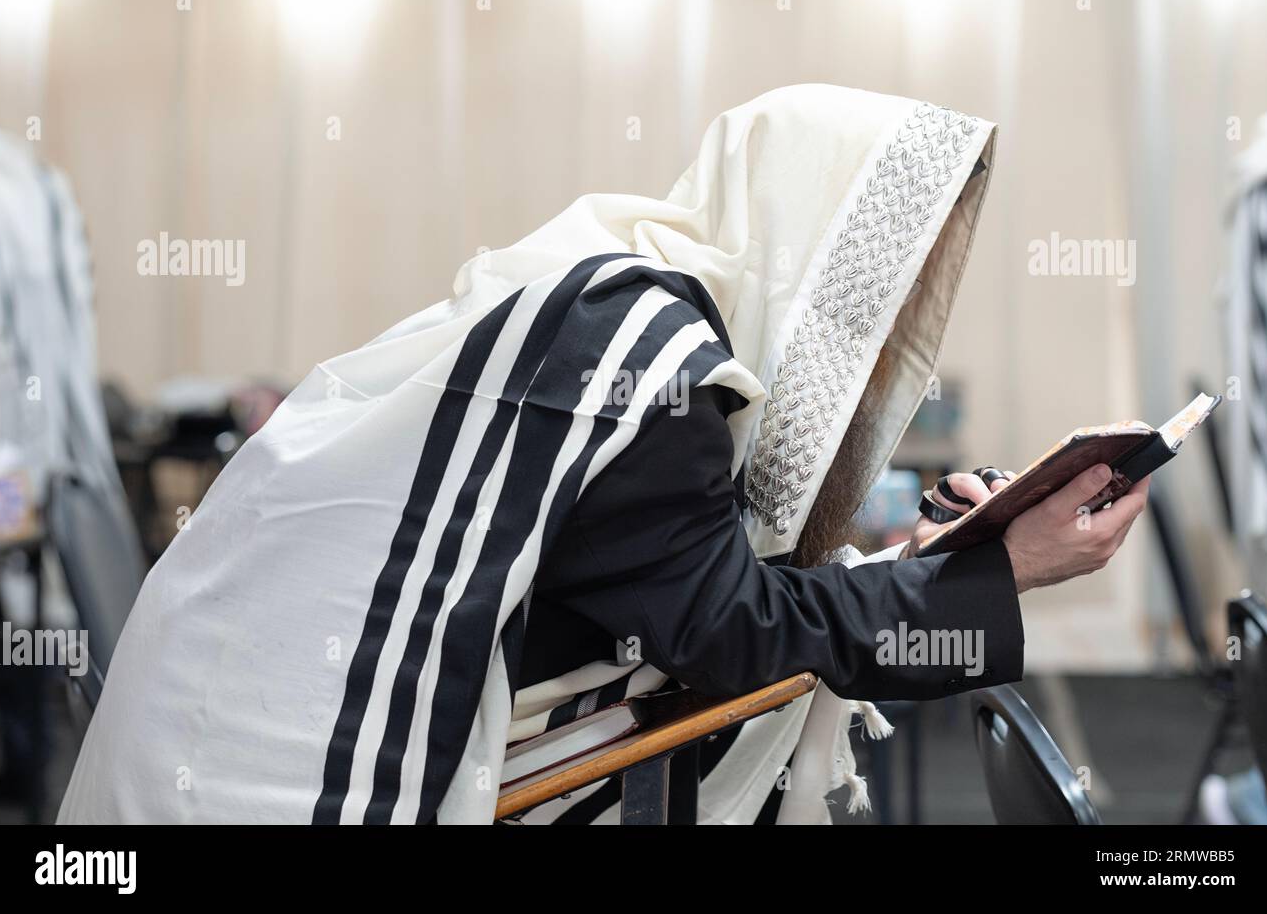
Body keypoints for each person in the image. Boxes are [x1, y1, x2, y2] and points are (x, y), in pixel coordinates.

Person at [58, 85, 1148, 825]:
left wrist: (925, 555)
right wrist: (995, 576)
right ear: (806, 235)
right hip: (262, 774)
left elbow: (677, 589)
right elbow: (727, 636)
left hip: (214, 699)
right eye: (863, 280)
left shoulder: (619, 287)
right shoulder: (651, 357)